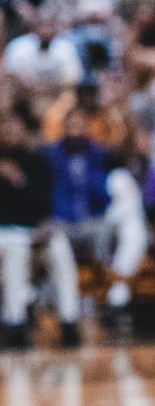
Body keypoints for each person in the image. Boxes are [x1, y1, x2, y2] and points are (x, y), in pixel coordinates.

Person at [42, 104, 146, 331]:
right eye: (71, 124)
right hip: (64, 223)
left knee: (108, 228)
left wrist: (127, 117)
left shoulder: (98, 154)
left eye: (80, 124)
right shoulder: (50, 155)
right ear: (64, 127)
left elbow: (127, 153)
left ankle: (102, 290)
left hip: (92, 223)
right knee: (55, 243)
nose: (75, 129)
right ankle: (62, 309)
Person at [0, 105, 58, 349]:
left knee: (59, 247)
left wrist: (19, 182)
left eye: (14, 125)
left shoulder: (37, 163)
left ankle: (69, 320)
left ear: (24, 130)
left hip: (30, 233)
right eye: (5, 125)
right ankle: (15, 323)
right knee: (16, 248)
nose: (9, 130)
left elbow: (43, 206)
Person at [3, 7, 84, 102]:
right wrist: (25, 83)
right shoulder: (18, 46)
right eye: (42, 25)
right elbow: (9, 74)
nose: (46, 30)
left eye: (50, 26)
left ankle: (55, 116)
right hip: (24, 96)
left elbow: (72, 80)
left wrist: (45, 86)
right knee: (6, 88)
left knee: (70, 95)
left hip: (55, 95)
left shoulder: (66, 47)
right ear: (33, 27)